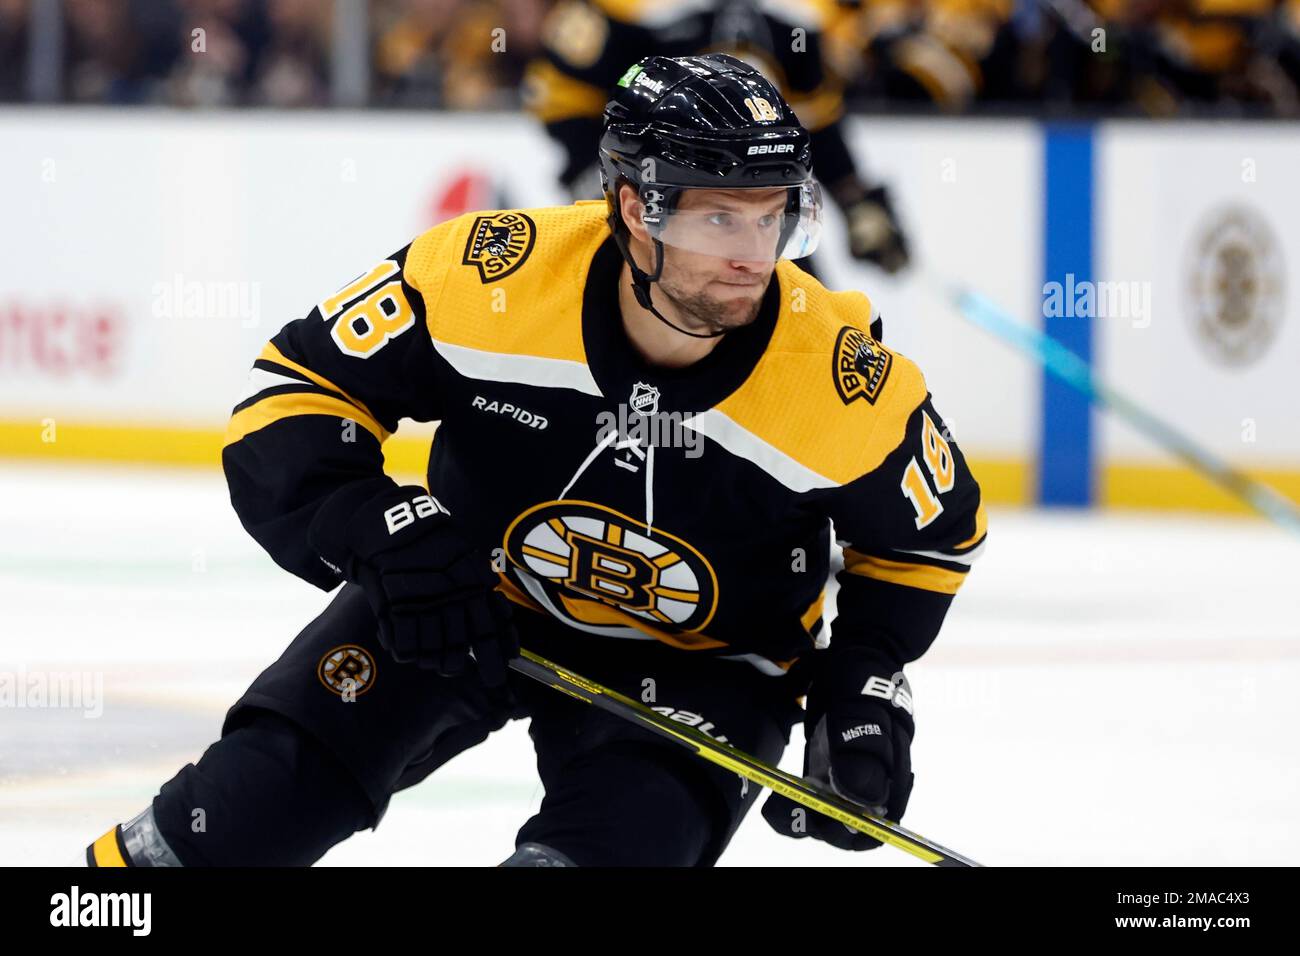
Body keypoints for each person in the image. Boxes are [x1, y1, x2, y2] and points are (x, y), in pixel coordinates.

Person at [86, 53, 985, 868]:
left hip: (703, 669)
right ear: (636, 207)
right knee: (213, 831)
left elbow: (929, 541)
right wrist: (383, 534)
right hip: (462, 603)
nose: (756, 258)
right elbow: (296, 391)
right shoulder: (488, 277)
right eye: (720, 219)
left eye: (773, 216)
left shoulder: (840, 379)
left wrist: (860, 684)